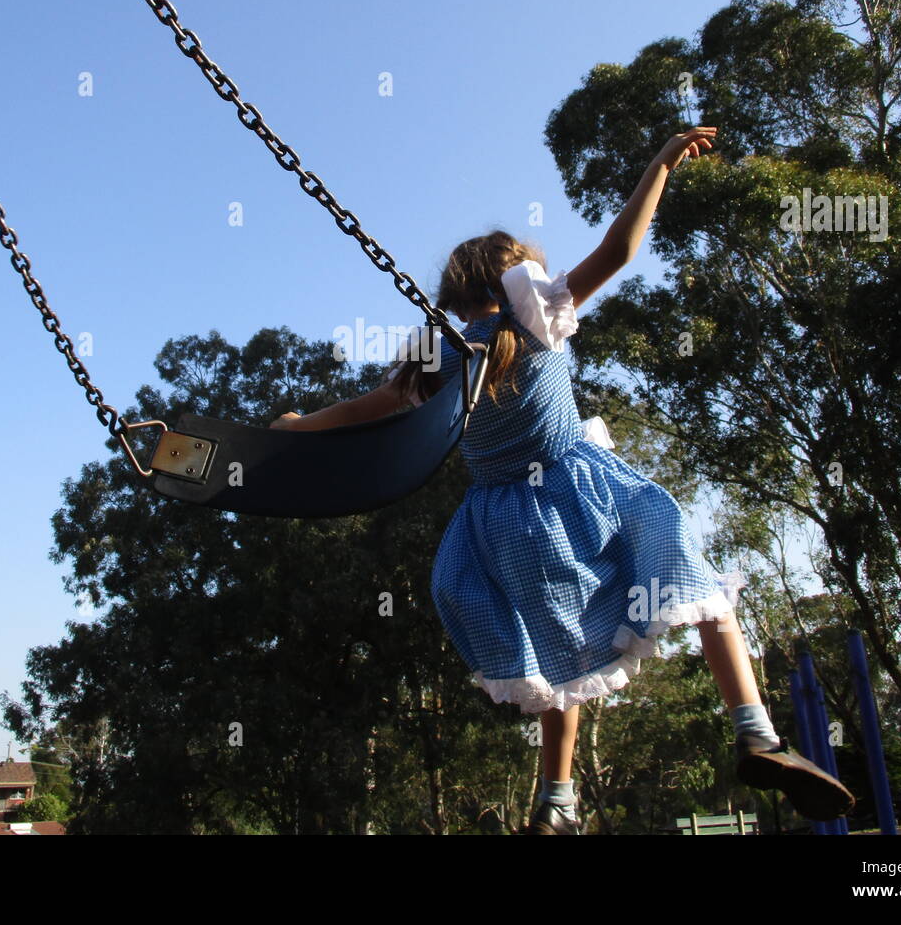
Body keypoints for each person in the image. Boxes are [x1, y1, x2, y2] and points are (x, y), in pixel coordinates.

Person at [271, 127, 855, 834]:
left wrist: (299, 426)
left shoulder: (438, 356)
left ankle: (555, 802)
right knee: (694, 579)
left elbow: (365, 409)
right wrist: (661, 162)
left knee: (560, 661)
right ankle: (756, 730)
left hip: (502, 527)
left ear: (456, 296)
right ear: (509, 275)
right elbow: (619, 249)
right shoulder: (535, 314)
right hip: (579, 493)